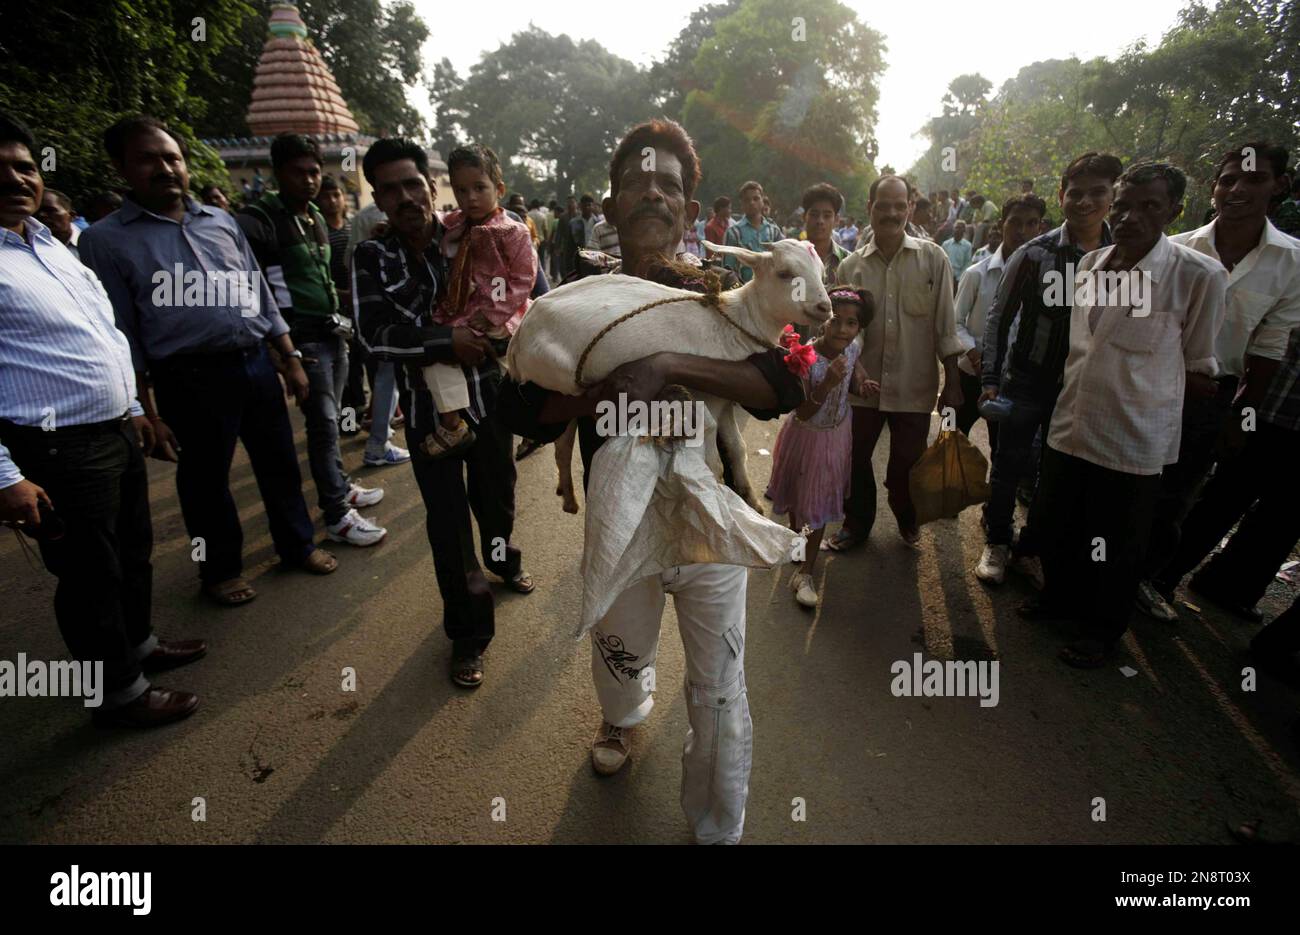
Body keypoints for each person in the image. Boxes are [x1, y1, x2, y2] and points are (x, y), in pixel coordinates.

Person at [497, 118, 806, 845]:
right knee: (621, 646)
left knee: (722, 684)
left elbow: (781, 384)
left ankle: (717, 823)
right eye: (636, 181)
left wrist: (670, 369)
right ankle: (624, 717)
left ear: (693, 212)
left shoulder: (727, 293)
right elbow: (519, 408)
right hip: (622, 517)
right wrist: (601, 393)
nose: (652, 194)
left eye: (670, 184)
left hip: (712, 519)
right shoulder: (578, 305)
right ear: (609, 206)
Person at [79, 116, 338, 607]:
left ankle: (297, 545)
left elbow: (258, 292)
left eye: (172, 157)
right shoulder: (105, 240)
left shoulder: (221, 221)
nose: (164, 168)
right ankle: (219, 570)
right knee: (205, 480)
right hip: (188, 377)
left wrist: (290, 357)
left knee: (280, 462)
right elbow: (119, 332)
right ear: (121, 168)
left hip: (256, 363)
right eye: (148, 160)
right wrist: (144, 409)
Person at [0, 112, 205, 727]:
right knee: (90, 575)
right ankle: (116, 694)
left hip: (113, 432)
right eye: (0, 169)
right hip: (57, 447)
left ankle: (138, 649)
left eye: (25, 167)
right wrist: (4, 477)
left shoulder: (50, 246)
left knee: (133, 553)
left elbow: (106, 334)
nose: (16, 179)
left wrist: (137, 410)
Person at [1029, 162, 1226, 668]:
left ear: (1175, 211)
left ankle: (1101, 631)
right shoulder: (1092, 265)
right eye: (1123, 206)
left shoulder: (1197, 275)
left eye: (1149, 206)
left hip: (1134, 434)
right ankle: (1058, 598)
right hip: (1072, 419)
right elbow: (1083, 345)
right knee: (1057, 521)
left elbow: (1198, 360)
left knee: (1116, 542)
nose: (1131, 216)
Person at [353, 137, 533, 689]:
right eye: (390, 189)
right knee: (449, 526)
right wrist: (443, 341)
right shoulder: (371, 255)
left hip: (490, 397)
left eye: (413, 183)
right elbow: (374, 338)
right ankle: (469, 635)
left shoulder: (471, 235)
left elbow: (530, 295)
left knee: (497, 497)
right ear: (378, 200)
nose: (406, 197)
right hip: (430, 414)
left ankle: (503, 560)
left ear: (430, 187)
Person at [1147, 144, 1300, 618]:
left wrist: (1242, 418)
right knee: (1134, 484)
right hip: (1152, 384)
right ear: (1214, 187)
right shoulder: (1178, 248)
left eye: (1253, 180)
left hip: (1216, 397)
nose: (1237, 190)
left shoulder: (1291, 262)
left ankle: (1149, 580)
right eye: (1229, 179)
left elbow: (1269, 349)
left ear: (1278, 187)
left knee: (1179, 496)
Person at [974, 152, 1121, 587]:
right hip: (1027, 381)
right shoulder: (1033, 255)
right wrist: (989, 380)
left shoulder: (1124, 256)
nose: (1085, 202)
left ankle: (1034, 547)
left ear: (1112, 197)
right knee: (1010, 464)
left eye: (1097, 193)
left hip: (1087, 387)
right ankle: (998, 540)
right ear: (1062, 196)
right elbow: (998, 320)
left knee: (1059, 475)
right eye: (1076, 193)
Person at [238, 133, 387, 548]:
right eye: (298, 172)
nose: (309, 180)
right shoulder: (259, 221)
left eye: (314, 172)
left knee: (334, 417)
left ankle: (339, 484)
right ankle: (337, 515)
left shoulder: (314, 218)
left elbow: (321, 279)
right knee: (322, 425)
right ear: (277, 173)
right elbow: (257, 293)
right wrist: (284, 354)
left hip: (331, 330)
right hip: (301, 339)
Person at [829, 174, 966, 550]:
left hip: (913, 385)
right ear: (870, 208)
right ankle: (857, 525)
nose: (891, 213)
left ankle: (906, 516)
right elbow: (843, 334)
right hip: (862, 387)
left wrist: (952, 383)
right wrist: (847, 375)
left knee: (907, 465)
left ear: (909, 207)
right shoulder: (851, 268)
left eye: (898, 205)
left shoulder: (932, 258)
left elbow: (945, 326)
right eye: (882, 205)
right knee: (854, 459)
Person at [425, 144, 536, 457]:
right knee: (436, 353)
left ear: (498, 189)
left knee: (503, 363)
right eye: (461, 190)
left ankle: (527, 415)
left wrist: (492, 315)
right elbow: (434, 219)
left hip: (499, 314)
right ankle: (453, 423)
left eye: (479, 188)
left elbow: (523, 280)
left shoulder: (512, 232)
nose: (470, 197)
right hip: (461, 311)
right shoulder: (455, 224)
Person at [768, 288, 877, 607]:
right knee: (798, 499)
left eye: (851, 323)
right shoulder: (805, 358)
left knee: (816, 503)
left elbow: (855, 368)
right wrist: (828, 382)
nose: (843, 330)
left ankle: (805, 572)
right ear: (821, 322)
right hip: (806, 435)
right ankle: (799, 546)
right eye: (836, 321)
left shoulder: (853, 347)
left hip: (837, 435)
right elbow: (801, 412)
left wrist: (861, 383)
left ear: (859, 327)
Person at [952, 194, 1046, 445]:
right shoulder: (977, 274)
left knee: (1004, 446)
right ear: (1002, 224)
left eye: (1031, 223)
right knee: (951, 436)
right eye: (1015, 222)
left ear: (1040, 227)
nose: (1022, 231)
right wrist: (974, 355)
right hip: (971, 375)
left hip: (1015, 379)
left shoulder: (1046, 278)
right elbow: (955, 322)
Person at [724, 180, 782, 282]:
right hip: (744, 291)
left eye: (756, 198)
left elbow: (783, 261)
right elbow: (728, 270)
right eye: (747, 200)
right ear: (741, 204)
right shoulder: (734, 233)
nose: (752, 203)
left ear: (762, 201)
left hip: (772, 290)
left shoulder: (774, 231)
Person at [34, 188, 78, 259]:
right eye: (36, 211)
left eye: (50, 210)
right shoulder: (29, 246)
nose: (41, 215)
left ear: (71, 215)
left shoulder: (91, 241)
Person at [941, 220, 973, 285]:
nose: (957, 230)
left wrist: (959, 278)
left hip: (958, 279)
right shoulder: (946, 244)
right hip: (945, 275)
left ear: (964, 231)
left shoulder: (967, 246)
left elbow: (967, 263)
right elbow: (941, 261)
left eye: (960, 228)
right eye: (956, 227)